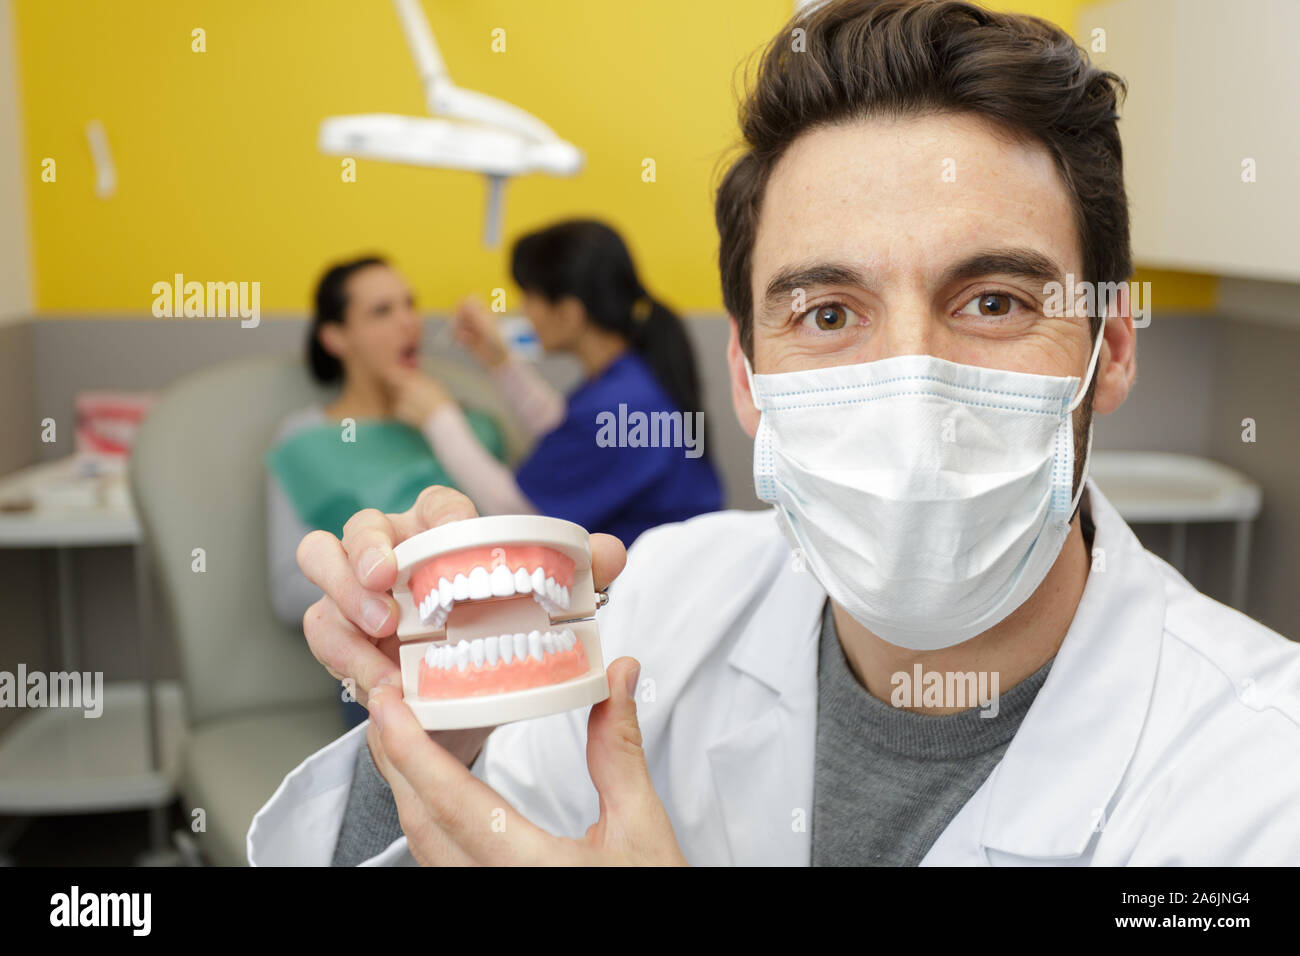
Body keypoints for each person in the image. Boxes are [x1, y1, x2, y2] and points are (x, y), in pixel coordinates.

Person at [249, 0, 1300, 866]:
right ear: (747, 380)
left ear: (1110, 349)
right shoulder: (658, 610)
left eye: (991, 301)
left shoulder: (1261, 772)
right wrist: (428, 737)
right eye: (829, 314)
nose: (908, 392)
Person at [266, 256, 506, 728]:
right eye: (381, 311)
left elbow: (520, 530)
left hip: (497, 644)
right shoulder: (302, 443)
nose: (408, 322)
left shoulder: (466, 428)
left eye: (409, 305)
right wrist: (394, 590)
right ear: (335, 337)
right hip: (389, 663)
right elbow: (288, 590)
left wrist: (445, 426)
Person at [419, 219, 722, 547]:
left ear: (569, 312)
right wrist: (500, 364)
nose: (525, 310)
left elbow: (519, 511)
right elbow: (571, 437)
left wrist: (437, 415)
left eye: (529, 295)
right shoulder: (630, 380)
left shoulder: (620, 403)